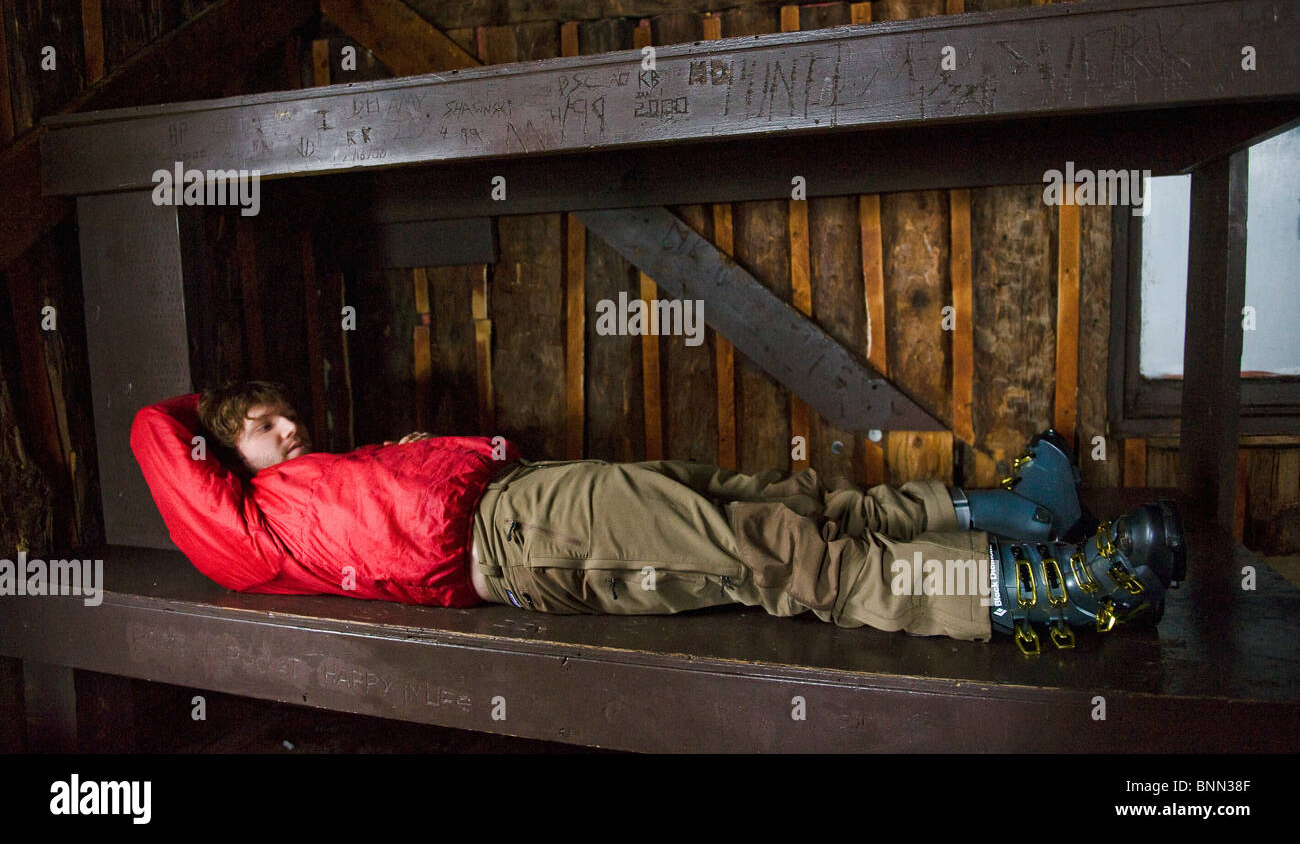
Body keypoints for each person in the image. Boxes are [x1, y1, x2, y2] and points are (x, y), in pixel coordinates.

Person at [130, 379, 1185, 656]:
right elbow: (149, 426)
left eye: (273, 408)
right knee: (781, 556)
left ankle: (1016, 513)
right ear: (223, 459)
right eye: (251, 424)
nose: (277, 420)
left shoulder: (330, 470)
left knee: (788, 500)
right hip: (520, 541)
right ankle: (1053, 594)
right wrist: (214, 425)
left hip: (534, 494)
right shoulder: (256, 523)